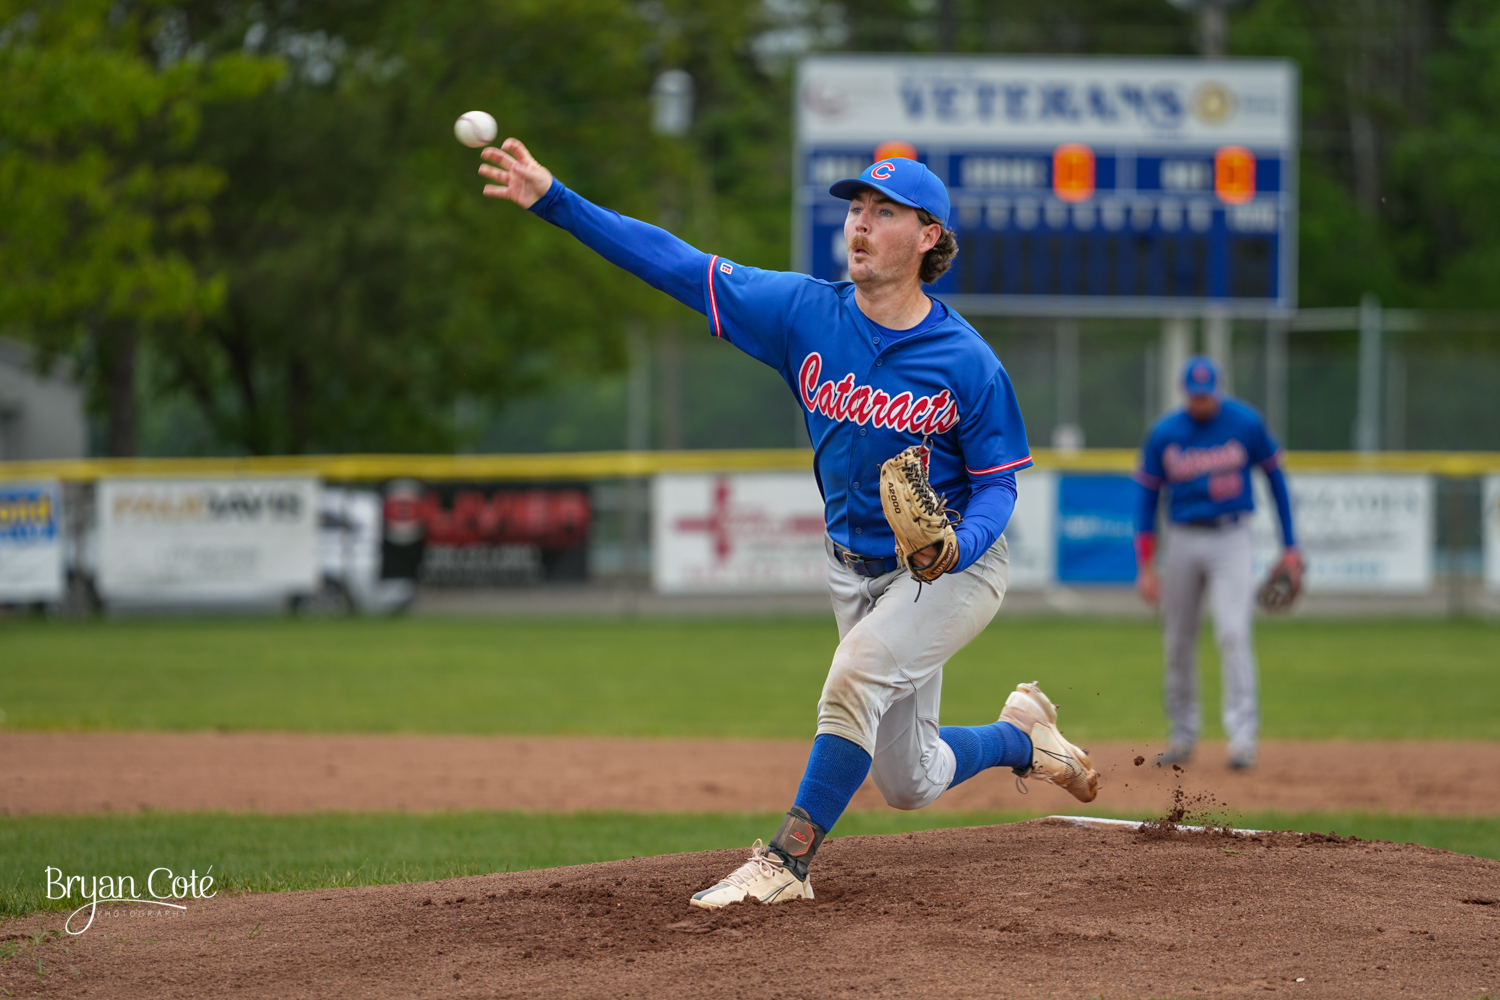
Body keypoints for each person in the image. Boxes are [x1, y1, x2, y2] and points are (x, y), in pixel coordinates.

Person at [478, 138, 1099, 910]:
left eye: (884, 213)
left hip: (957, 572)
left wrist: (956, 546)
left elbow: (1000, 489)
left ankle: (786, 861)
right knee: (910, 781)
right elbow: (675, 262)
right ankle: (1022, 737)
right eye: (855, 209)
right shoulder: (804, 313)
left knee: (855, 677)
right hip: (856, 570)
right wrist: (555, 199)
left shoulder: (967, 361)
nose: (860, 226)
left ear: (929, 235)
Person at [1133, 356, 1301, 770]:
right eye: (1195, 395)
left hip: (1232, 536)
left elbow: (1276, 481)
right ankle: (1182, 736)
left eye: (1208, 395)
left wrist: (1291, 546)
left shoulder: (1245, 423)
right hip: (1184, 538)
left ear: (1219, 388)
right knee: (1177, 642)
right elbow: (1146, 502)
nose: (1202, 402)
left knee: (1232, 633)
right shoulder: (1165, 433)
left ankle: (1243, 740)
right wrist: (1145, 566)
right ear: (1183, 390)